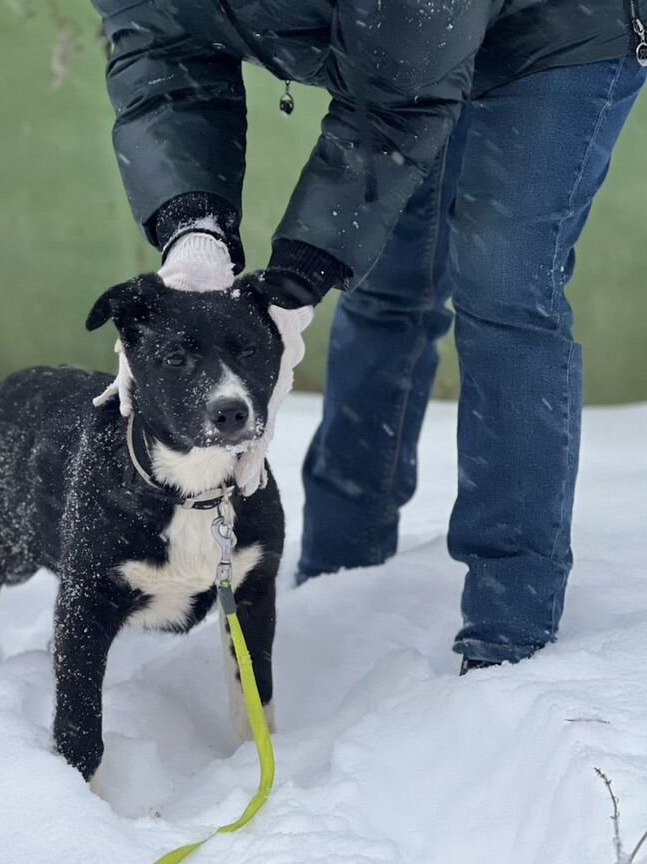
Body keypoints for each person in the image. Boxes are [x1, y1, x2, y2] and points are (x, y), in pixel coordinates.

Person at [91, 0, 647, 672]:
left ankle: (510, 633)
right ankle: (340, 576)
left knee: (504, 284)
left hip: (558, 28)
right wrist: (193, 228)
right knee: (384, 279)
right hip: (408, 51)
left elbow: (393, 108)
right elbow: (164, 51)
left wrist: (297, 279)